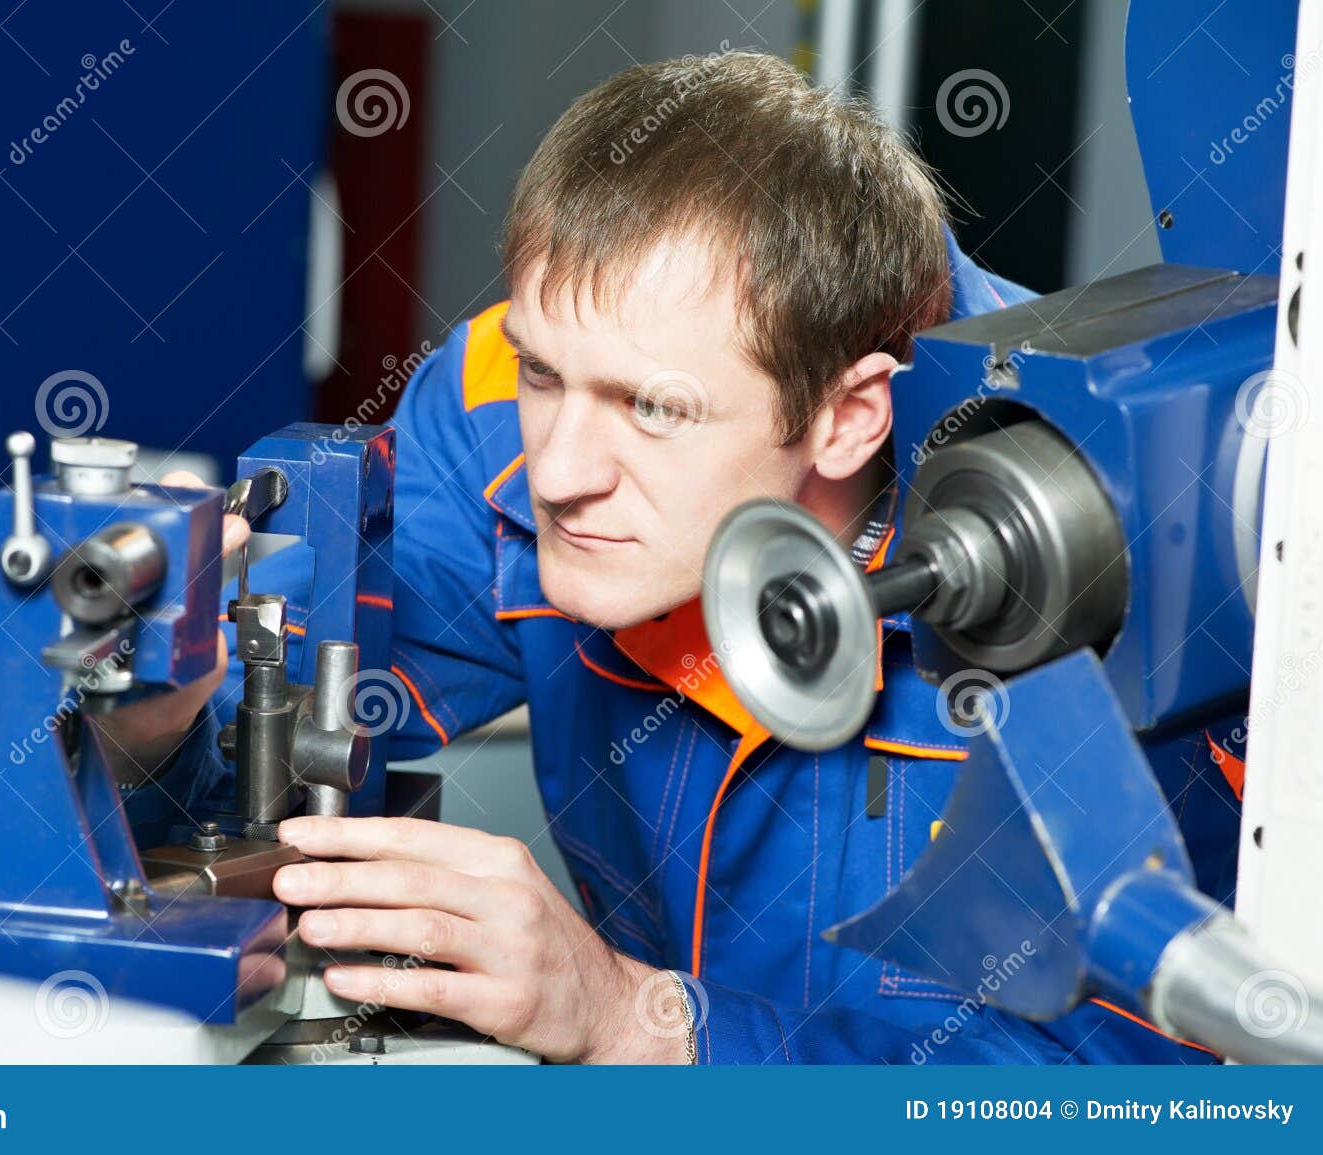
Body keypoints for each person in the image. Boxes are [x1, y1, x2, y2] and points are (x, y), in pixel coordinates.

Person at [99, 52, 1240, 1063]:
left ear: (849, 417)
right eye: (544, 373)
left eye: (653, 409)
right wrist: (154, 721)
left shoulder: (1145, 558)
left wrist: (633, 1021)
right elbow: (265, 778)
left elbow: (1138, 1093)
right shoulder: (508, 399)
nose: (556, 472)